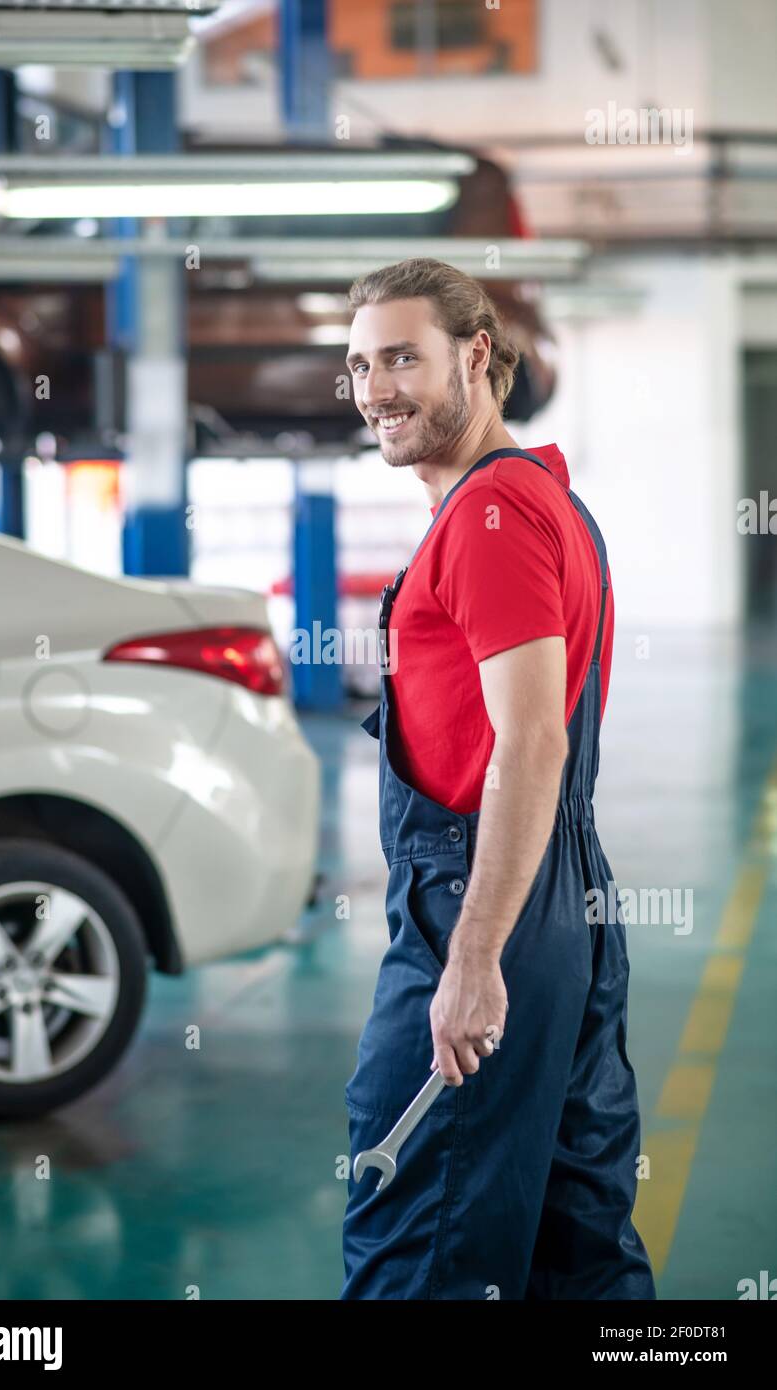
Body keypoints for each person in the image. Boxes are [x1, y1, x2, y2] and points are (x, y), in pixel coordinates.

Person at [340, 257, 656, 1301]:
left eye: (401, 358)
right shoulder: (535, 501)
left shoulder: (489, 519)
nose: (375, 388)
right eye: (358, 365)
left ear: (474, 357)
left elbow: (530, 743)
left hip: (480, 893)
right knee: (577, 1243)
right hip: (557, 885)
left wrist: (471, 956)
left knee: (418, 1240)